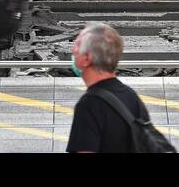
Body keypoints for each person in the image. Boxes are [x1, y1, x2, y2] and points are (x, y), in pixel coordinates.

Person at [67, 22, 157, 153]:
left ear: (87, 59)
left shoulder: (89, 105)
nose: (73, 50)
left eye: (77, 45)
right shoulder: (131, 96)